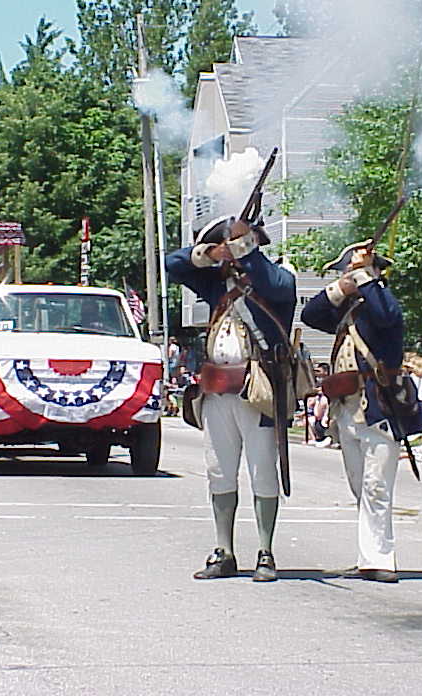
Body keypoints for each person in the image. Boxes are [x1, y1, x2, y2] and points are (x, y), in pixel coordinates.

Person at [166, 214, 296, 582]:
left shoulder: (276, 277)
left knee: (262, 471)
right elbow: (174, 264)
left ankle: (265, 552)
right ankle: (224, 550)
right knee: (218, 471)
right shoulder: (217, 284)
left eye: (241, 245)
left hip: (259, 389)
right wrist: (210, 252)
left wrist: (244, 246)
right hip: (217, 390)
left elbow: (275, 283)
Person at [301, 243, 422, 582]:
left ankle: (381, 559)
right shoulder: (347, 310)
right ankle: (367, 556)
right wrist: (344, 286)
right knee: (360, 485)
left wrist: (364, 275)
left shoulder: (382, 302)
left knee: (377, 486)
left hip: (377, 406)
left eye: (351, 272)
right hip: (346, 407)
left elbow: (387, 316)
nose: (347, 276)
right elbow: (311, 314)